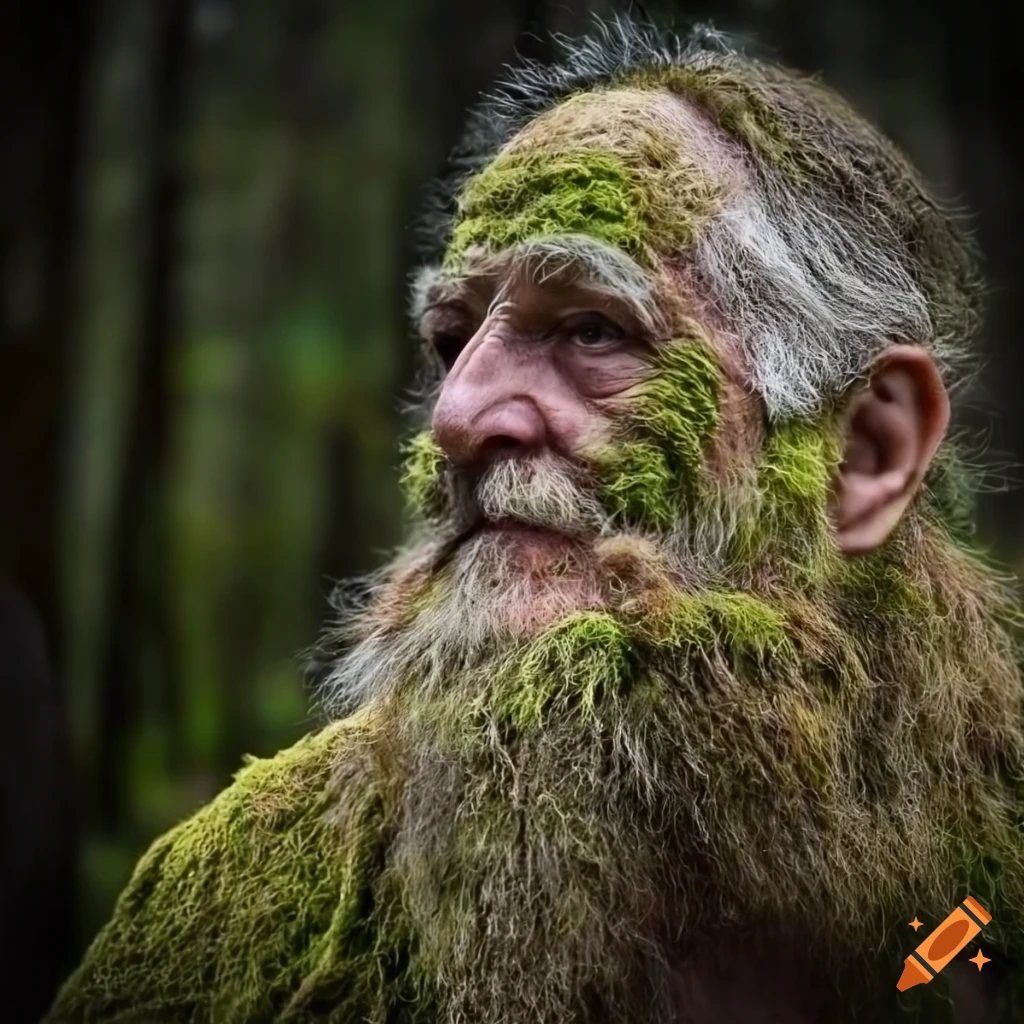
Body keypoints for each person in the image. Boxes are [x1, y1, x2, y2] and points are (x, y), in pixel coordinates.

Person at [47, 17, 1024, 1024]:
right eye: (451, 337)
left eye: (591, 328)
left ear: (865, 454)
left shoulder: (995, 875)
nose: (457, 416)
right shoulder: (233, 920)